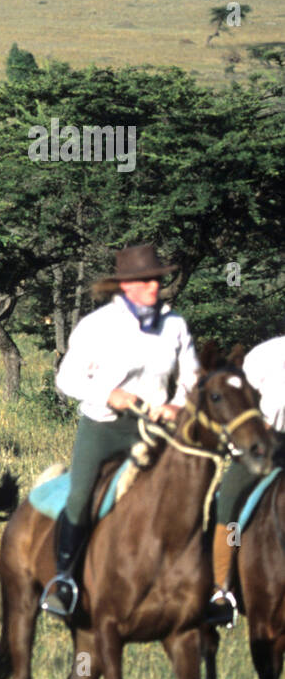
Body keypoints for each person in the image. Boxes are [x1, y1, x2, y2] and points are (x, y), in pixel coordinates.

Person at [41, 243, 198, 620]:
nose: (154, 287)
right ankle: (64, 580)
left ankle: (198, 582)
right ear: (125, 285)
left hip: (156, 428)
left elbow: (192, 376)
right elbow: (66, 378)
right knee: (80, 495)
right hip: (104, 426)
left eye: (157, 280)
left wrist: (176, 404)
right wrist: (108, 394)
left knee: (191, 490)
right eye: (145, 281)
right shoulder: (96, 326)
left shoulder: (174, 324)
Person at [207, 329, 285, 626]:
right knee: (231, 506)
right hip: (260, 447)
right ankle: (221, 590)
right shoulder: (264, 358)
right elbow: (234, 406)